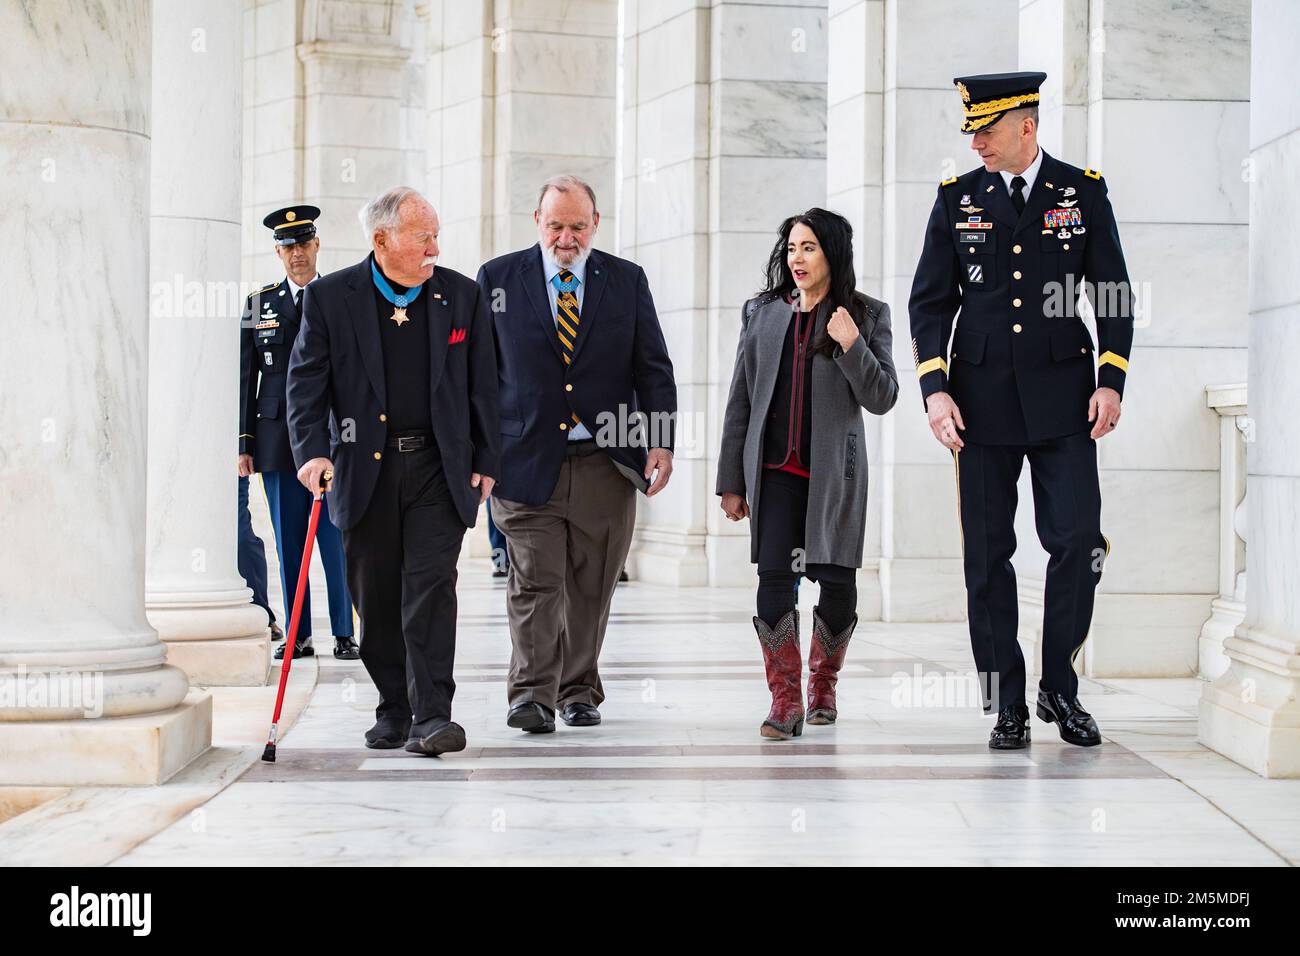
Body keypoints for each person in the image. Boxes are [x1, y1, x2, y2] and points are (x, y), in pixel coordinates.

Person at [908, 72, 1133, 750]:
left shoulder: (1080, 192)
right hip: (978, 405)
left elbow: (1114, 293)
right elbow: (929, 303)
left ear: (1026, 127)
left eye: (988, 129)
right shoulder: (958, 200)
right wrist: (934, 388)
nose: (976, 141)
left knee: (1078, 543)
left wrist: (1111, 378)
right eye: (972, 131)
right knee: (987, 554)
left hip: (1066, 398)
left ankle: (1058, 687)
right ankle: (1005, 698)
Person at [287, 187, 499, 756]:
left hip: (438, 466)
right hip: (363, 470)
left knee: (430, 587)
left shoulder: (461, 295)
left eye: (435, 234)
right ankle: (394, 707)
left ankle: (432, 715)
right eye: (422, 236)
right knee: (375, 595)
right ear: (381, 240)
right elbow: (304, 384)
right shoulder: (331, 298)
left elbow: (485, 384)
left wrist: (486, 458)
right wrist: (312, 451)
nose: (435, 246)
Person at [478, 174, 676, 734]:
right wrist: (479, 453)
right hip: (524, 461)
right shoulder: (497, 280)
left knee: (592, 584)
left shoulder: (626, 280)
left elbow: (653, 367)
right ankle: (531, 696)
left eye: (578, 226)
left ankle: (578, 689)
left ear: (596, 224)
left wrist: (659, 440)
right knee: (536, 581)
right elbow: (479, 378)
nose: (567, 238)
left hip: (606, 462)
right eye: (556, 225)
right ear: (536, 222)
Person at [717, 209, 898, 739]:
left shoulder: (865, 315)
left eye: (809, 248)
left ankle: (823, 687)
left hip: (834, 478)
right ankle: (785, 699)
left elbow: (883, 397)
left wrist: (851, 345)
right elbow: (739, 401)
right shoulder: (763, 313)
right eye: (792, 248)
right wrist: (732, 480)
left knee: (837, 583)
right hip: (774, 476)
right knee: (773, 579)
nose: (797, 258)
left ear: (833, 254)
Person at [239, 205, 357, 661]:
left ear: (316, 245)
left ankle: (344, 632)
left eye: (303, 244)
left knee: (336, 538)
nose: (296, 255)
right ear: (277, 251)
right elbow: (246, 378)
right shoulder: (259, 304)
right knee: (289, 543)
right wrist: (243, 443)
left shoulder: (339, 297)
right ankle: (299, 632)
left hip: (331, 439)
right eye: (287, 247)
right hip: (275, 442)